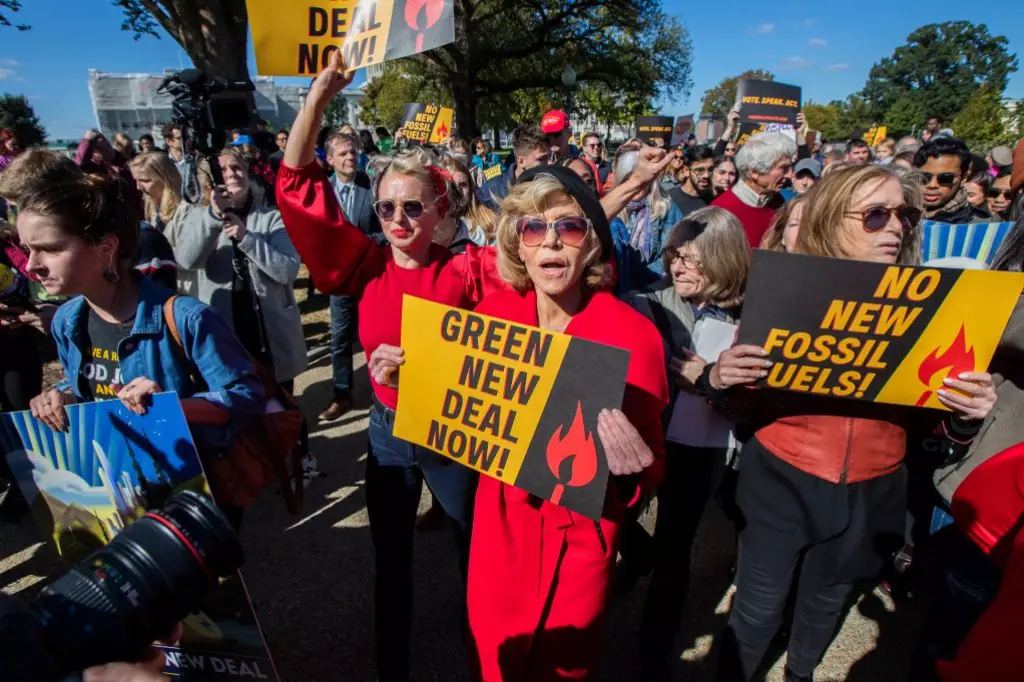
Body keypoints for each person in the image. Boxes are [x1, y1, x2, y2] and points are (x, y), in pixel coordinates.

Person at [709, 164, 996, 682]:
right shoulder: (784, 294)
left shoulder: (935, 308)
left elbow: (936, 439)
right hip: (778, 481)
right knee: (755, 613)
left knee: (823, 611)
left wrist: (964, 418)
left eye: (905, 216)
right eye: (876, 215)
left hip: (875, 492)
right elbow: (736, 408)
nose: (896, 227)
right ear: (829, 219)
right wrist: (722, 379)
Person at [460, 165, 669, 681]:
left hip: (582, 534)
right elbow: (454, 410)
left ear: (591, 243)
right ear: (518, 246)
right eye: (533, 228)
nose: (550, 240)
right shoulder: (490, 316)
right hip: (500, 530)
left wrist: (633, 472)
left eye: (568, 227)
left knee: (564, 669)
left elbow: (651, 459)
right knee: (494, 660)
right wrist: (399, 378)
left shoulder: (634, 336)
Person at [3, 149, 265, 531]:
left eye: (50, 249)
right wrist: (61, 397)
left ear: (106, 249)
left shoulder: (185, 318)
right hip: (116, 498)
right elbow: (87, 384)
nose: (31, 265)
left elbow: (247, 399)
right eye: (27, 249)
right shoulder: (67, 323)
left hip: (192, 499)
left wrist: (170, 407)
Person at [627, 208, 750, 681]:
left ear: (722, 260)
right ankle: (637, 559)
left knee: (676, 549)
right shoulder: (647, 301)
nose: (678, 267)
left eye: (691, 259)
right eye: (673, 256)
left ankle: (652, 650)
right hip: (647, 441)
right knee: (613, 518)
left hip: (705, 453)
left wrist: (714, 387)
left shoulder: (752, 317)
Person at [174, 147, 312, 484]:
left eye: (237, 168)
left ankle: (297, 462)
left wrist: (248, 238)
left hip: (268, 330)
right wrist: (212, 216)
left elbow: (287, 270)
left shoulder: (271, 218)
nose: (231, 174)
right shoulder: (196, 216)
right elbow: (187, 261)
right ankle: (250, 468)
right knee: (231, 402)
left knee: (281, 400)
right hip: (223, 333)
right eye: (222, 170)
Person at [320, 130, 384, 422]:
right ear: (330, 159)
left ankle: (379, 393)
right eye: (343, 153)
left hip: (370, 275)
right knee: (341, 339)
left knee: (375, 334)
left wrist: (360, 241)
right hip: (340, 280)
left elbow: (387, 230)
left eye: (353, 152)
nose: (350, 157)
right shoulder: (322, 192)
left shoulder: (372, 187)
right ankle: (342, 394)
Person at [611, 146, 684, 289]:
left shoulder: (667, 209)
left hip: (652, 288)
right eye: (628, 179)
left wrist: (642, 277)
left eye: (641, 179)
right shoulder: (613, 209)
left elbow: (672, 254)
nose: (636, 185)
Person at [711, 132, 793, 247]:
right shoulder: (722, 212)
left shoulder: (778, 202)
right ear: (754, 172)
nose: (789, 175)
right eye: (783, 168)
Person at [915, 137, 991, 223]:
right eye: (925, 177)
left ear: (964, 178)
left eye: (946, 178)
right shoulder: (900, 214)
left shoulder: (979, 227)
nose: (932, 185)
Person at [479, 123, 550, 210]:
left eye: (549, 157)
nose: (549, 163)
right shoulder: (492, 190)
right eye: (542, 159)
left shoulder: (552, 188)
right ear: (521, 161)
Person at [440, 153, 498, 244]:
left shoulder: (489, 223)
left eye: (462, 185)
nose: (457, 190)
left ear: (470, 188)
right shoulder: (434, 228)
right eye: (451, 185)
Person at [666, 146, 714, 217]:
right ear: (686, 171)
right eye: (700, 170)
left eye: (710, 169)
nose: (706, 175)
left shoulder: (715, 200)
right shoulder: (668, 198)